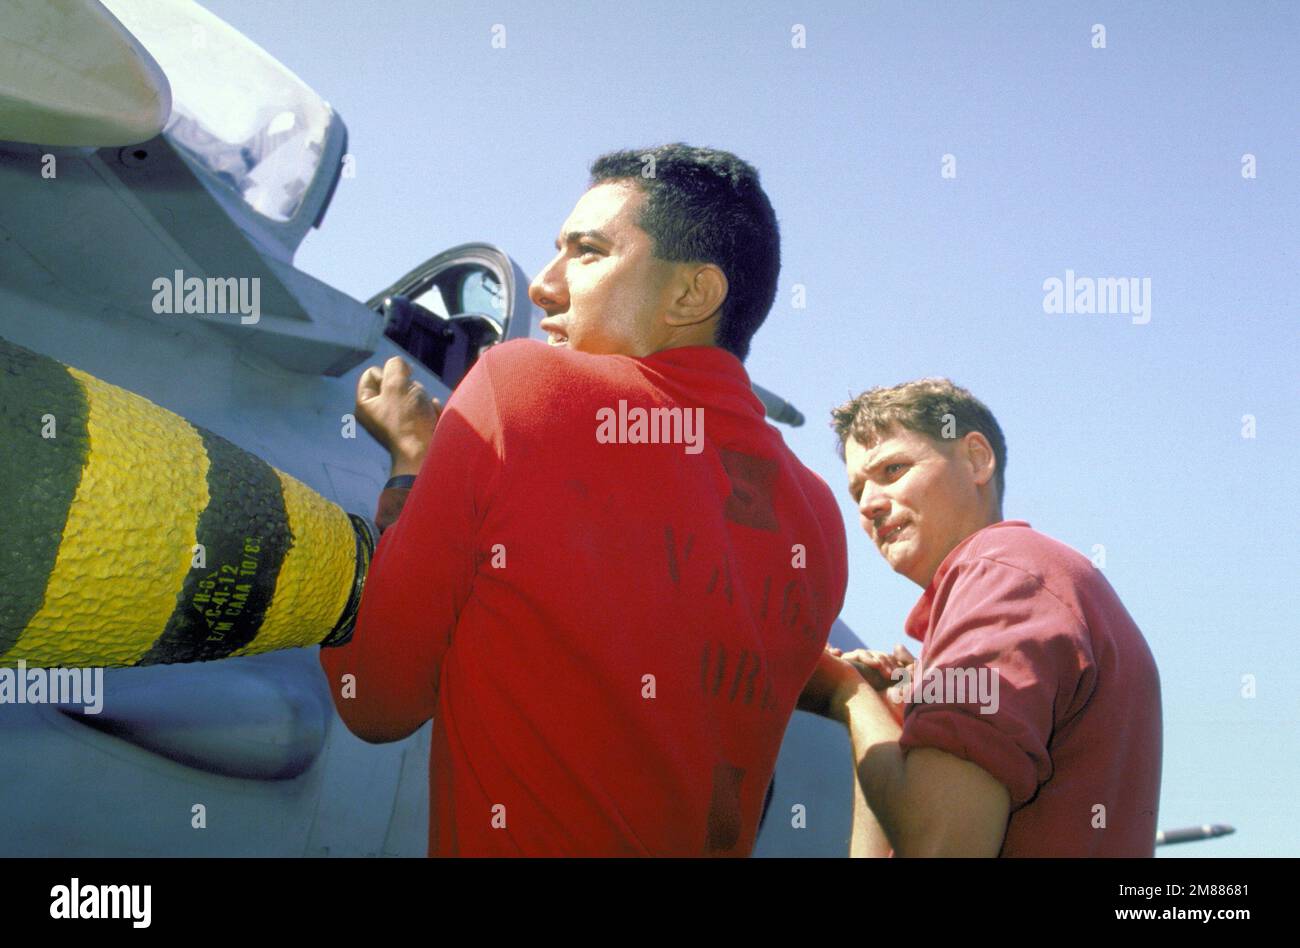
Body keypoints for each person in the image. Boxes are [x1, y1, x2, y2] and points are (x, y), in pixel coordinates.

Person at [319, 144, 850, 856]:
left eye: (589, 252)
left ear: (692, 294)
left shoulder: (522, 389)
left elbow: (374, 696)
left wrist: (412, 469)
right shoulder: (820, 521)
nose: (543, 285)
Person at [799, 378, 1162, 856]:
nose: (868, 505)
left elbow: (942, 843)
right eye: (858, 491)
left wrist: (845, 693)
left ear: (976, 459)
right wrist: (881, 715)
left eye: (893, 469)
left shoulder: (1002, 574)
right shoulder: (1020, 579)